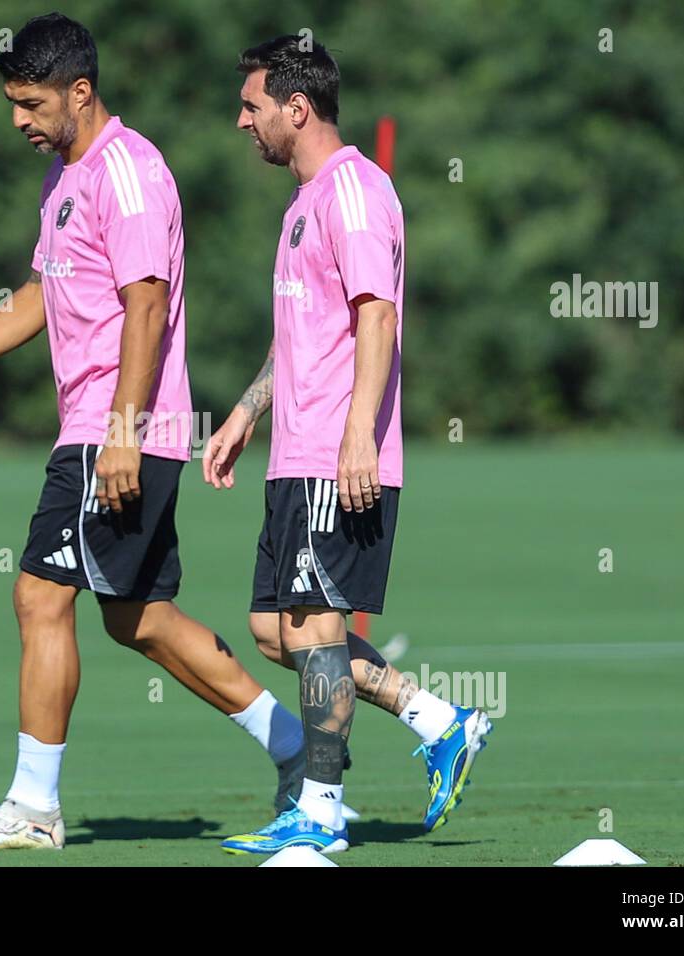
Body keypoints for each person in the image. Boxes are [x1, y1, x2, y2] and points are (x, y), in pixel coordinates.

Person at [0, 14, 309, 854]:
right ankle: (299, 749)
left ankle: (34, 805)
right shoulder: (65, 176)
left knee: (39, 596)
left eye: (32, 103)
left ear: (80, 92)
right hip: (112, 428)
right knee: (139, 619)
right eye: (13, 103)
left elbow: (145, 306)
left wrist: (123, 432)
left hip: (114, 429)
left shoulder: (127, 171)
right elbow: (41, 293)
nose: (19, 119)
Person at [206, 36, 493, 855]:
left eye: (252, 107)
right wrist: (246, 412)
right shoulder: (304, 201)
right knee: (277, 631)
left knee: (315, 631)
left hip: (338, 455)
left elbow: (377, 313)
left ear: (296, 109)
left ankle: (322, 809)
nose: (242, 122)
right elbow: (302, 333)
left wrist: (359, 434)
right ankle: (440, 721)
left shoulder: (357, 191)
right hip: (295, 456)